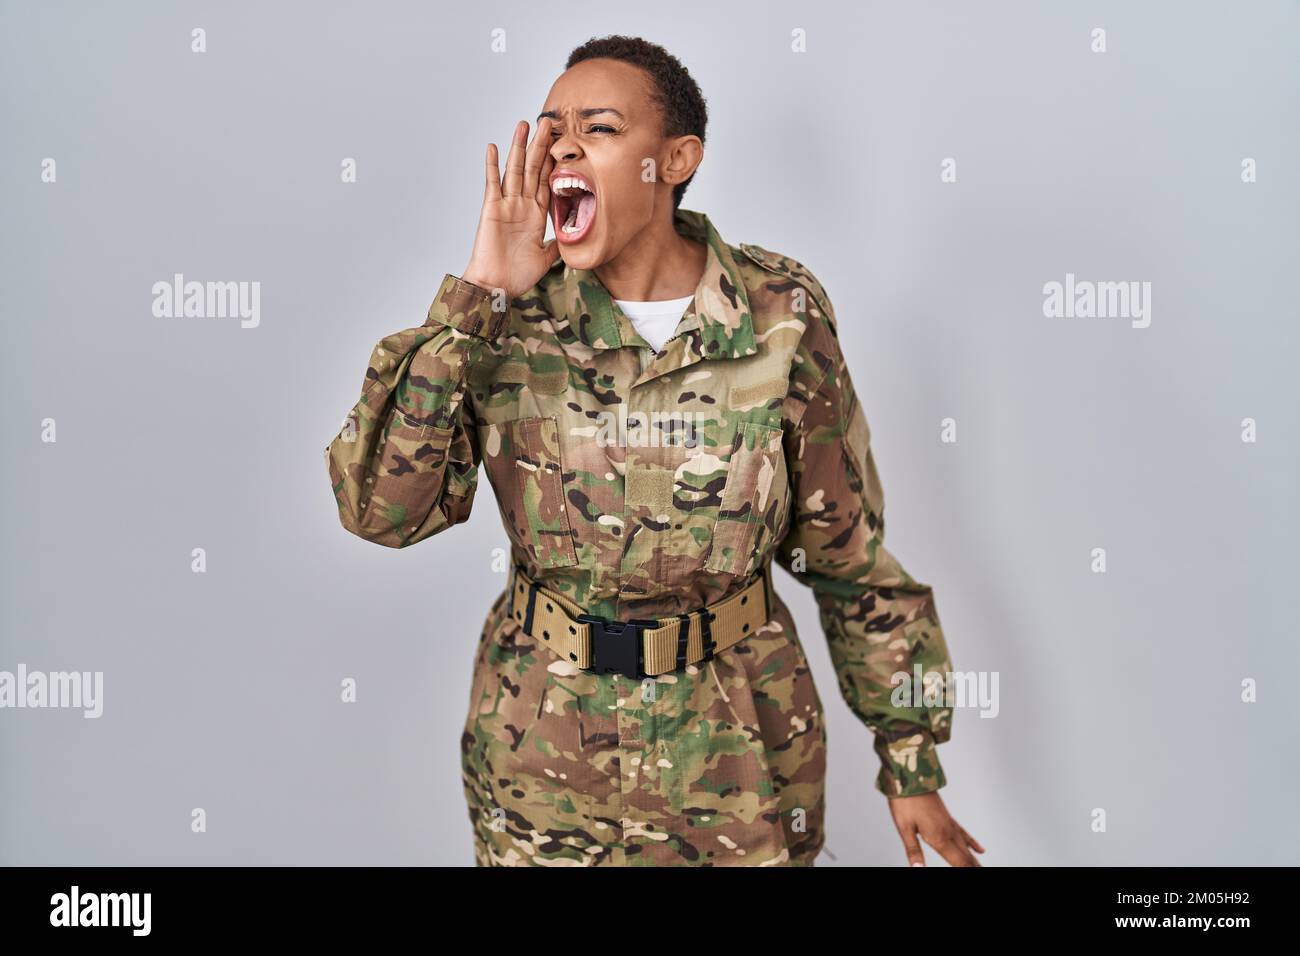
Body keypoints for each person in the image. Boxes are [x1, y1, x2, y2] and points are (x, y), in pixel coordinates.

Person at [325, 35, 984, 867]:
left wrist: (910, 759)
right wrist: (480, 293)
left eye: (598, 127)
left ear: (675, 159)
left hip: (740, 750)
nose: (562, 143)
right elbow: (380, 513)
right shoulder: (507, 321)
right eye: (550, 126)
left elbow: (847, 555)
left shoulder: (781, 314)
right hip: (542, 759)